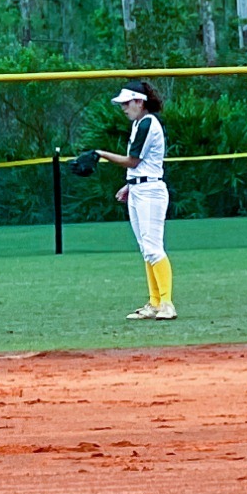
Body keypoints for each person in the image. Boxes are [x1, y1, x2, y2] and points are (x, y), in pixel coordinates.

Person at [93, 81, 175, 320]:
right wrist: (130, 185)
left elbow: (133, 161)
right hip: (140, 189)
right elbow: (142, 164)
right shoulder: (140, 123)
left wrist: (101, 154)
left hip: (151, 191)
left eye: (127, 103)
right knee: (146, 250)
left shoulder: (148, 122)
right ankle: (155, 302)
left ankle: (167, 303)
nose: (124, 108)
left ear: (140, 101)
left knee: (153, 247)